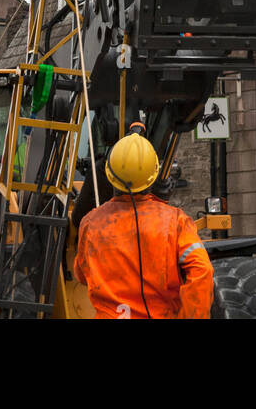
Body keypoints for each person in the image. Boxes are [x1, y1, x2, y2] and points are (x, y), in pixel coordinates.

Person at [74, 132, 214, 320]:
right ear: (154, 174)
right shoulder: (176, 222)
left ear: (110, 175)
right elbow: (201, 270)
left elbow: (82, 275)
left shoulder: (90, 223)